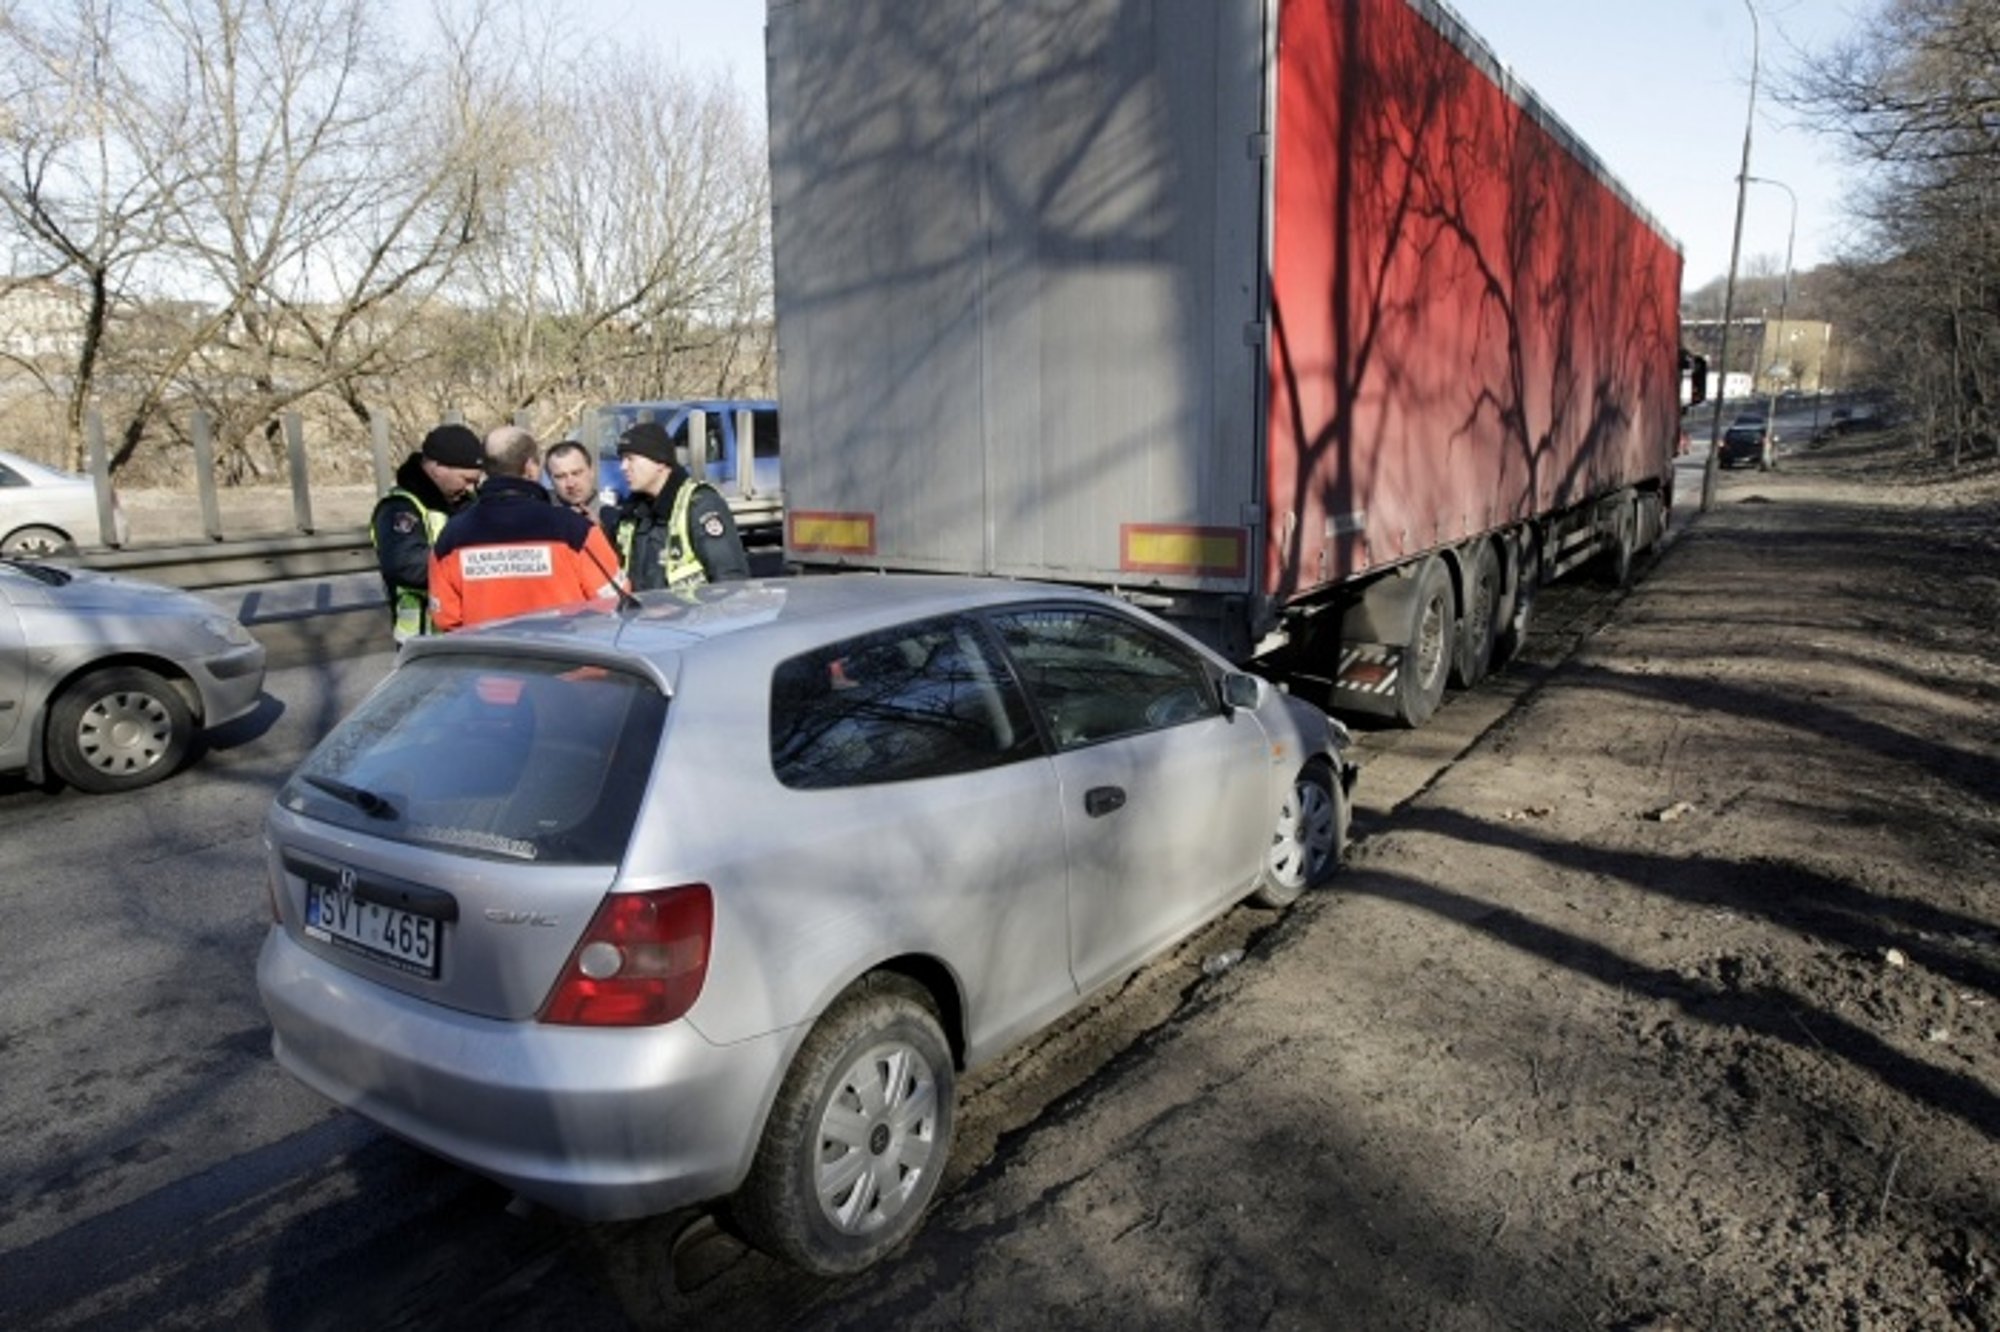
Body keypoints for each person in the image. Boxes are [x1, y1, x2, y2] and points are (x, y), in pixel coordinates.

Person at [428, 426, 626, 632]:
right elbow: (614, 598)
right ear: (531, 468)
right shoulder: (576, 531)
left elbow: (446, 618)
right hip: (564, 657)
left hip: (485, 659)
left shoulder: (451, 537)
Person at [604, 419, 750, 591]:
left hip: (696, 616)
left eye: (631, 459)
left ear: (659, 462)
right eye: (622, 459)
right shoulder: (633, 514)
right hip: (641, 617)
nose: (623, 467)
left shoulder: (699, 504)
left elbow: (730, 579)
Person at [372, 423, 483, 642]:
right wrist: (476, 563)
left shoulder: (470, 502)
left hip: (470, 634)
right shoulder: (400, 507)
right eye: (466, 480)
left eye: (475, 481)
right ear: (437, 469)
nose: (471, 488)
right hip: (424, 643)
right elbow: (406, 565)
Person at [543, 438, 603, 523]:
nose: (571, 484)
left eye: (576, 473)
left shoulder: (613, 517)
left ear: (591, 471)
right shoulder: (540, 517)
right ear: (550, 480)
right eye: (561, 477)